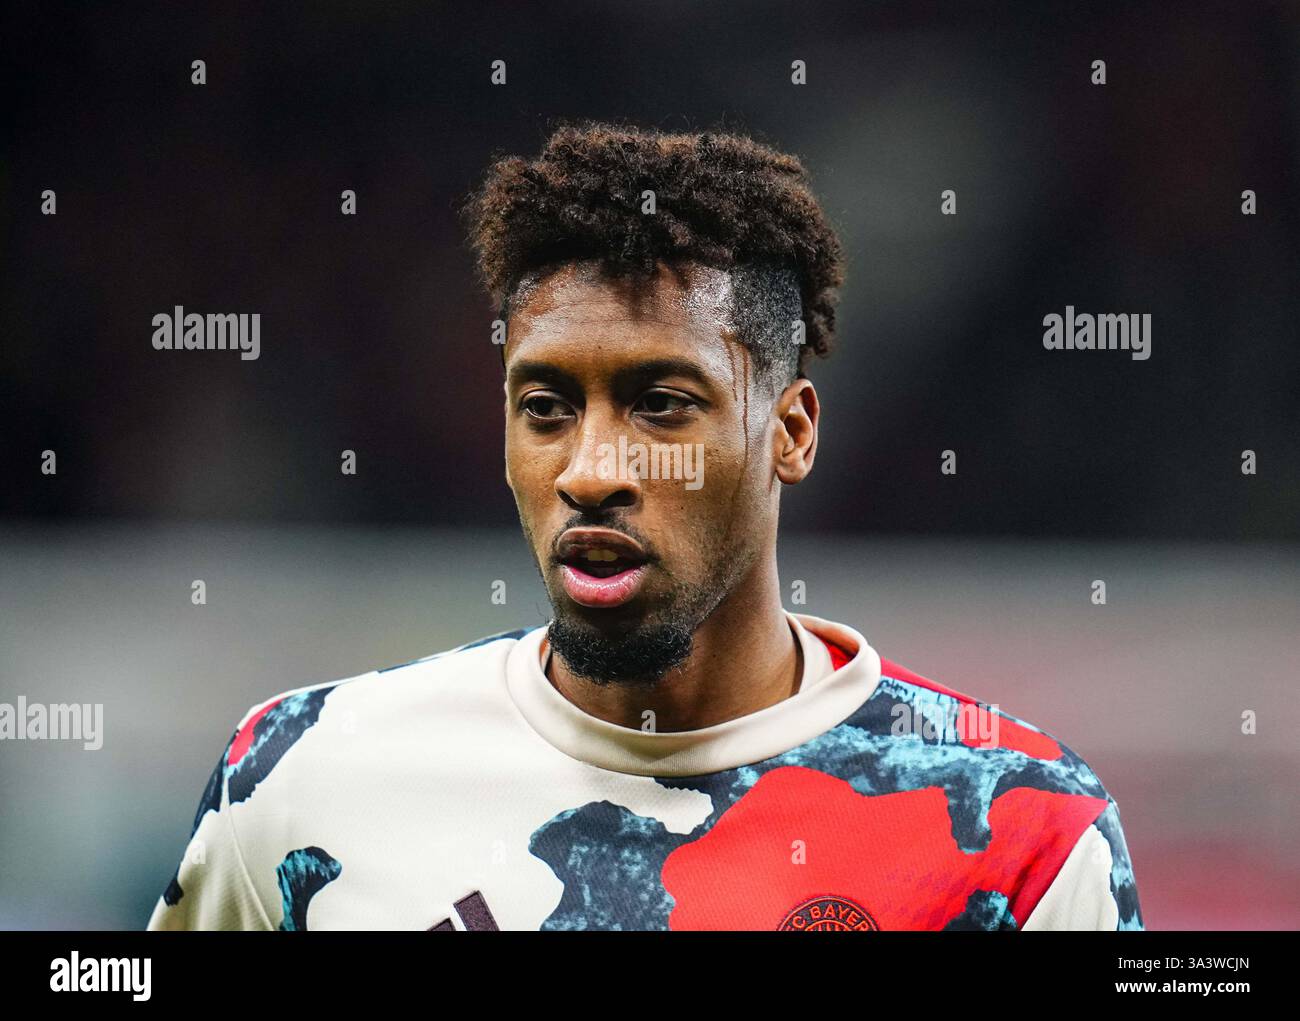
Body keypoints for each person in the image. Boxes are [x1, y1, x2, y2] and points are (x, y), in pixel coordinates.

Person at [147, 121, 1142, 931]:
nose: (589, 471)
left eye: (660, 402)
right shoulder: (302, 774)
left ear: (789, 432)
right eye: (545, 408)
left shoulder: (1018, 830)